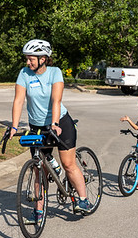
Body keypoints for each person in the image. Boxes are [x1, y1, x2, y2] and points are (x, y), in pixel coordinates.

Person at [10, 39, 95, 220]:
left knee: (68, 164)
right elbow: (18, 100)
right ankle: (38, 211)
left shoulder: (55, 73)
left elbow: (56, 100)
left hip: (61, 123)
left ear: (43, 59)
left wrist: (55, 123)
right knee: (38, 169)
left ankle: (83, 199)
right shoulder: (24, 74)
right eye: (27, 59)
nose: (27, 62)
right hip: (36, 126)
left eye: (31, 59)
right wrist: (14, 126)